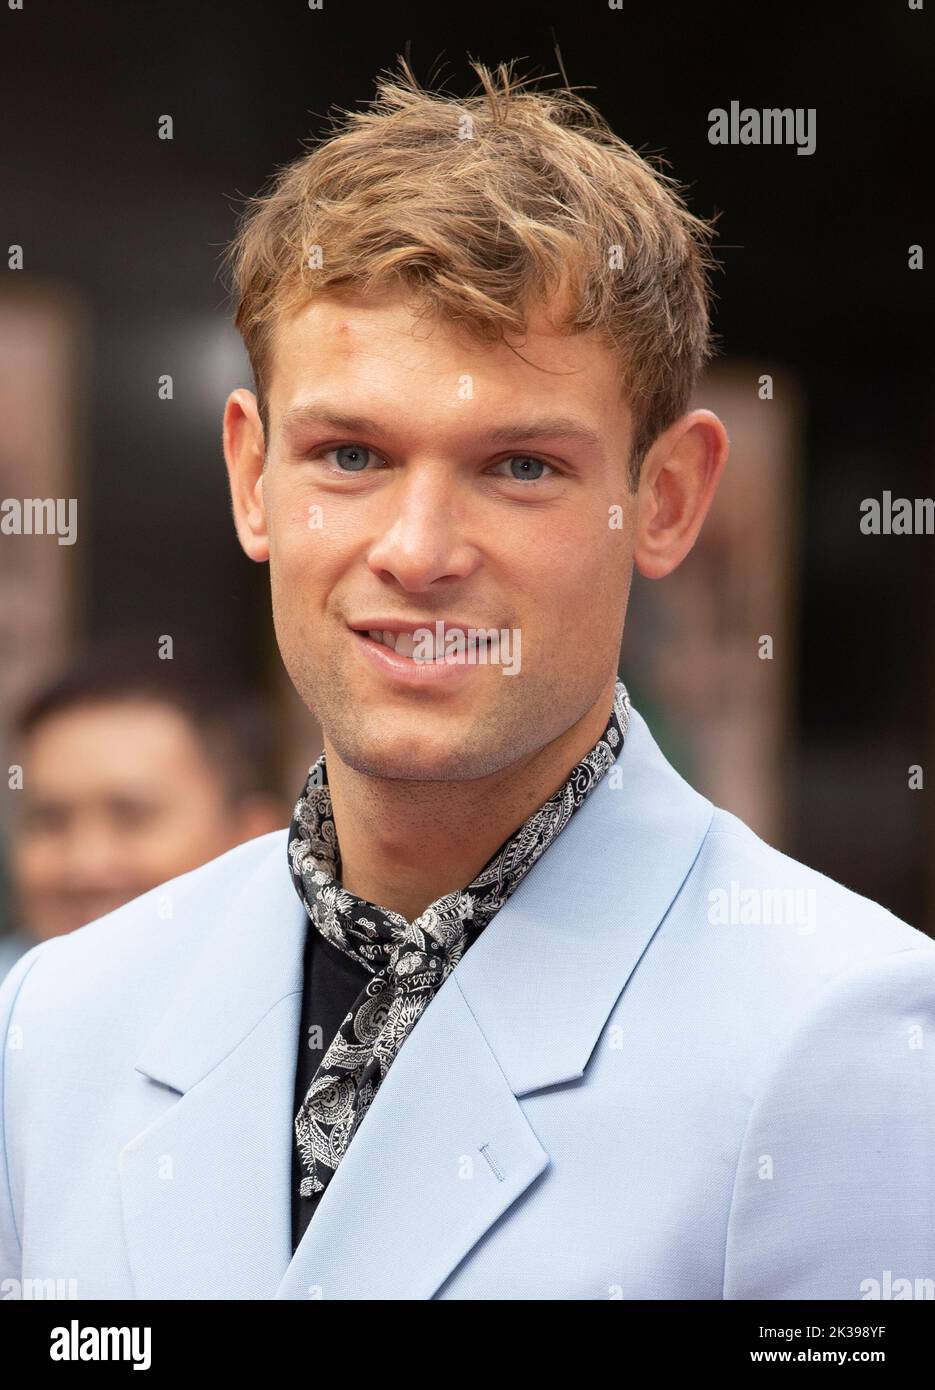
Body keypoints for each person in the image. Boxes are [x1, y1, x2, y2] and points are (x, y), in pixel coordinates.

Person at [1, 59, 933, 1302]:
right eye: (349, 454)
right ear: (250, 476)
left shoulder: (847, 1037)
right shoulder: (64, 1015)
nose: (418, 552)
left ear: (663, 500)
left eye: (519, 467)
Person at [0, 653, 285, 980]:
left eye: (132, 817)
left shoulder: (315, 1011)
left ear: (253, 837)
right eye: (51, 822)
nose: (86, 864)